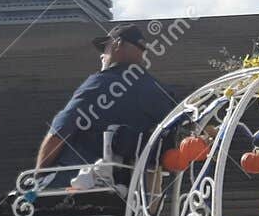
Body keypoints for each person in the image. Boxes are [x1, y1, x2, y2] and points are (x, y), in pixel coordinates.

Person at [36, 25, 174, 175]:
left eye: (105, 48)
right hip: (136, 189)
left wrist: (36, 177)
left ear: (117, 44)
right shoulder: (162, 91)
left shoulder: (99, 84)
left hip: (80, 184)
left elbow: (58, 134)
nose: (102, 55)